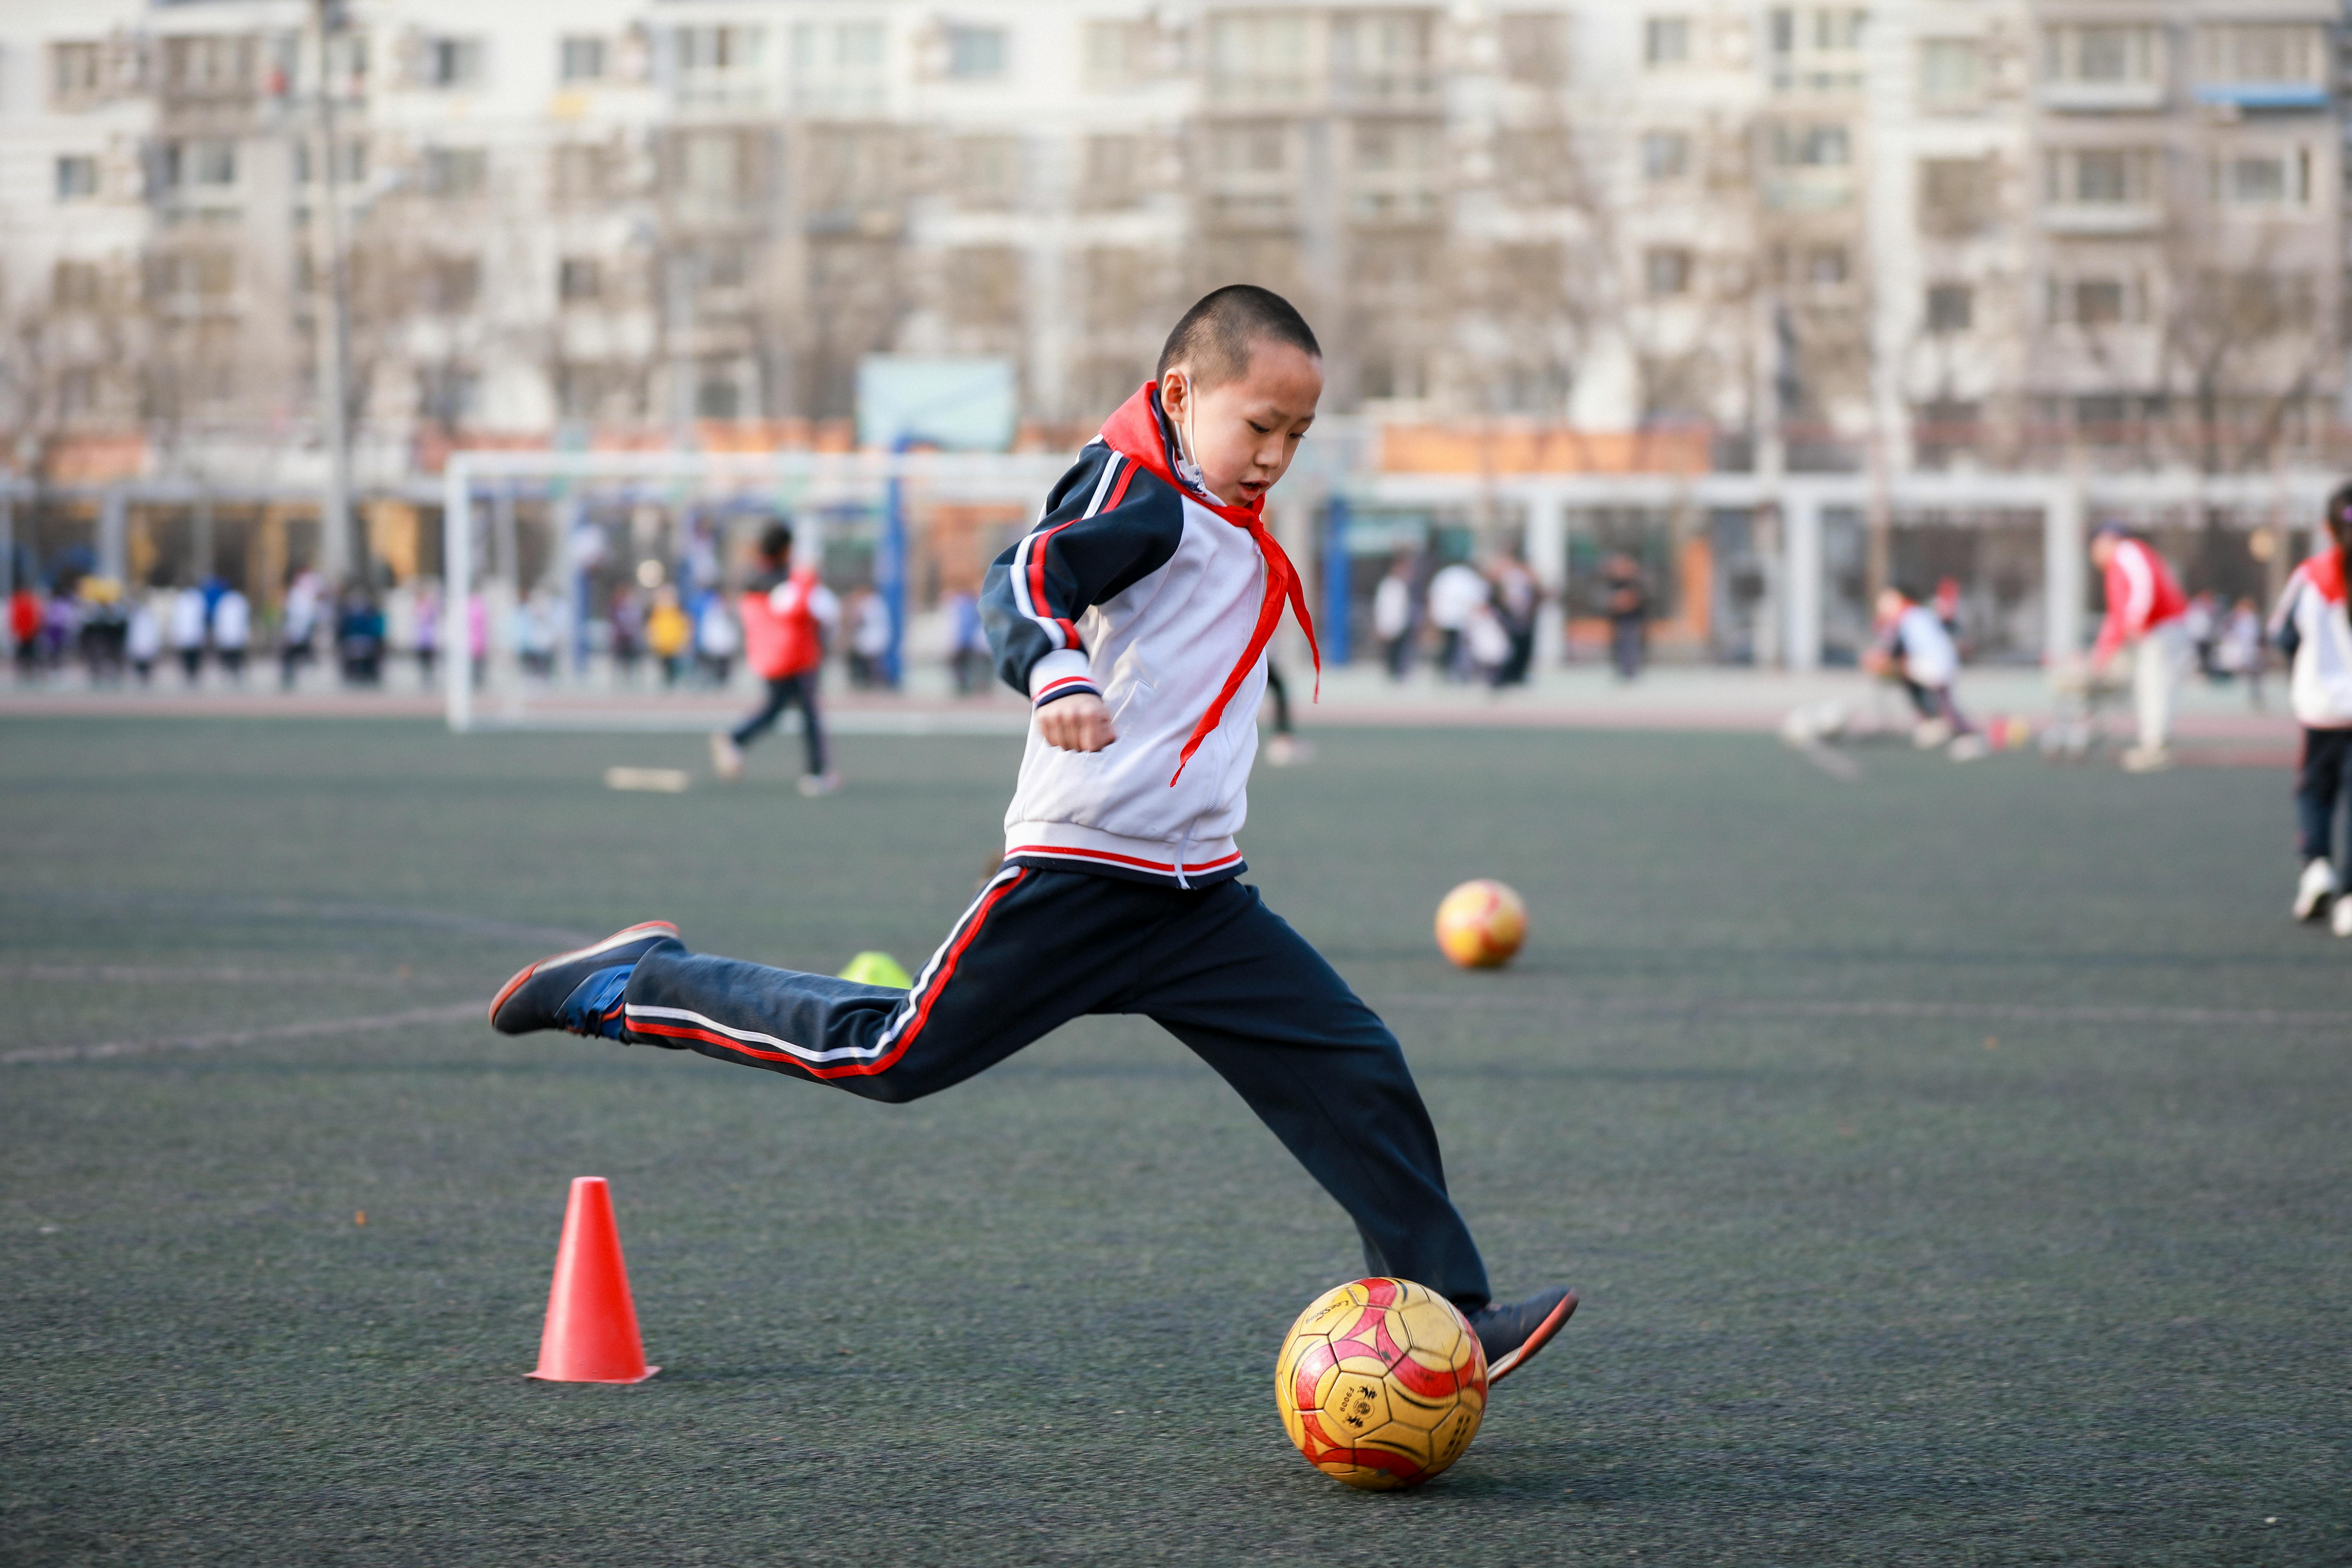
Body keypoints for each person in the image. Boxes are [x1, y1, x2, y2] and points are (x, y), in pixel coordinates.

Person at [488, 285, 1577, 1382]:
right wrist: (1053, 666)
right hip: (1083, 876)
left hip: (1199, 899)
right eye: (1259, 426)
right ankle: (634, 983)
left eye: (1296, 434)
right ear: (1179, 394)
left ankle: (1443, 1309)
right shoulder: (1139, 492)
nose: (1275, 456)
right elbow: (1020, 573)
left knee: (1352, 1061)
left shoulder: (1226, 521)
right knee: (893, 1055)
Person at [2272, 484, 2352, 934]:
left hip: (2321, 709)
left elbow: (2284, 636)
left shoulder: (2312, 575)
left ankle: (2318, 867)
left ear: (2327, 526)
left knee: (2315, 792)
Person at [711, 522, 839, 795]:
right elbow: (814, 609)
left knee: (776, 709)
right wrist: (807, 579)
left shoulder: (753, 579)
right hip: (797, 657)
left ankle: (736, 739)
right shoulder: (788, 582)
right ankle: (816, 773)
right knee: (808, 714)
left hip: (771, 659)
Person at [2089, 524, 2188, 772]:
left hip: (2161, 628)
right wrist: (2104, 652)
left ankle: (2155, 747)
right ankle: (2154, 743)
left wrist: (2137, 618)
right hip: (2159, 628)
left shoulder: (2127, 551)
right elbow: (2116, 616)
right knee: (2152, 685)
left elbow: (2143, 585)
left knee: (2154, 685)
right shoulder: (2118, 565)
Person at [1864, 584, 1984, 761]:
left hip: (1934, 666)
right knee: (1941, 697)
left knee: (1900, 671)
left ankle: (1952, 729)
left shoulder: (1904, 616)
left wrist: (1873, 661)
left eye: (1887, 599)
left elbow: (1887, 652)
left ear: (1899, 598)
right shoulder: (1919, 614)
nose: (1882, 604)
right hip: (1942, 664)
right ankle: (1936, 723)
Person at [1426, 558, 1486, 680]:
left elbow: (1434, 596)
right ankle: (1453, 672)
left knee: (1452, 646)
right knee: (1457, 646)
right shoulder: (1468, 577)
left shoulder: (1445, 576)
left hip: (1449, 617)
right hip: (1458, 618)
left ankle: (1450, 671)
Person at [1491, 549, 1539, 688]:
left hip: (1523, 614)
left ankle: (1518, 674)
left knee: (1522, 645)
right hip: (1511, 614)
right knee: (1510, 645)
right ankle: (1507, 675)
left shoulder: (1523, 575)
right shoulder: (1509, 576)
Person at [1602, 553, 1649, 680]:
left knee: (1631, 645)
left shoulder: (1636, 583)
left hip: (1632, 620)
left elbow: (1641, 600)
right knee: (1621, 645)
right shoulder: (1614, 583)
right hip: (1619, 621)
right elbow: (1608, 601)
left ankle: (1631, 671)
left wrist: (1628, 601)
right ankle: (1623, 670)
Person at [1372, 552, 1415, 680]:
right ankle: (1393, 674)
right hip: (1391, 624)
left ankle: (1399, 673)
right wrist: (1381, 625)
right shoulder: (1389, 585)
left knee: (1401, 650)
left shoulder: (1402, 585)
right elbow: (1383, 607)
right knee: (1393, 651)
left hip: (1401, 624)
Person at [2219, 595, 2265, 710]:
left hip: (2250, 651)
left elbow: (2258, 637)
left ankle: (2255, 697)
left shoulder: (2252, 619)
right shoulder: (2234, 619)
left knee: (2254, 675)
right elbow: (2227, 633)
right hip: (2239, 650)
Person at [279, 568, 321, 690]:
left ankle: (295, 673)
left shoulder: (299, 595)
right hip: (298, 629)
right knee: (294, 653)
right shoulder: (298, 595)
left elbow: (300, 615)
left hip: (298, 629)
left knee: (294, 653)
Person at [946, 588, 990, 695]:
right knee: (960, 662)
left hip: (974, 644)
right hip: (967, 644)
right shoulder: (961, 605)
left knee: (978, 661)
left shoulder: (972, 605)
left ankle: (979, 684)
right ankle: (970, 685)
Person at [646, 586, 691, 687]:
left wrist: (684, 642)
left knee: (675, 670)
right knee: (664, 670)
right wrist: (653, 640)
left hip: (675, 646)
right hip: (662, 646)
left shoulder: (678, 612)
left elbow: (685, 628)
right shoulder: (656, 613)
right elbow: (652, 629)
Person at [168, 582, 208, 685]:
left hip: (195, 634)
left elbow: (202, 617)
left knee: (195, 657)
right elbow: (177, 618)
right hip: (186, 634)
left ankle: (194, 675)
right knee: (186, 657)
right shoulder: (182, 601)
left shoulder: (198, 599)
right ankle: (189, 675)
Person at [211, 583, 250, 683]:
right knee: (235, 657)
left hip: (229, 635)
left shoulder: (223, 600)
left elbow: (219, 619)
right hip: (236, 635)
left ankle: (231, 675)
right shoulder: (240, 600)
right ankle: (235, 675)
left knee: (230, 657)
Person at [125, 590, 161, 684]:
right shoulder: (135, 615)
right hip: (139, 643)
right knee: (139, 664)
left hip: (147, 643)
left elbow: (153, 630)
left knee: (147, 664)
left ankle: (146, 678)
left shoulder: (150, 615)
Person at [10, 581, 41, 682]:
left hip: (28, 632)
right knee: (25, 652)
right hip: (25, 632)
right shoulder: (21, 602)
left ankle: (28, 671)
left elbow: (34, 617)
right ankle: (24, 671)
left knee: (28, 652)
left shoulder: (25, 602)